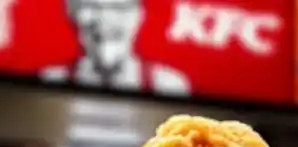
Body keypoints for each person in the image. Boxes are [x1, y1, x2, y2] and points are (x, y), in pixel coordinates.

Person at [41, 0, 190, 95]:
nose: (106, 19)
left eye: (119, 7)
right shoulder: (52, 78)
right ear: (71, 14)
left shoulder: (168, 84)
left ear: (139, 15)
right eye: (92, 6)